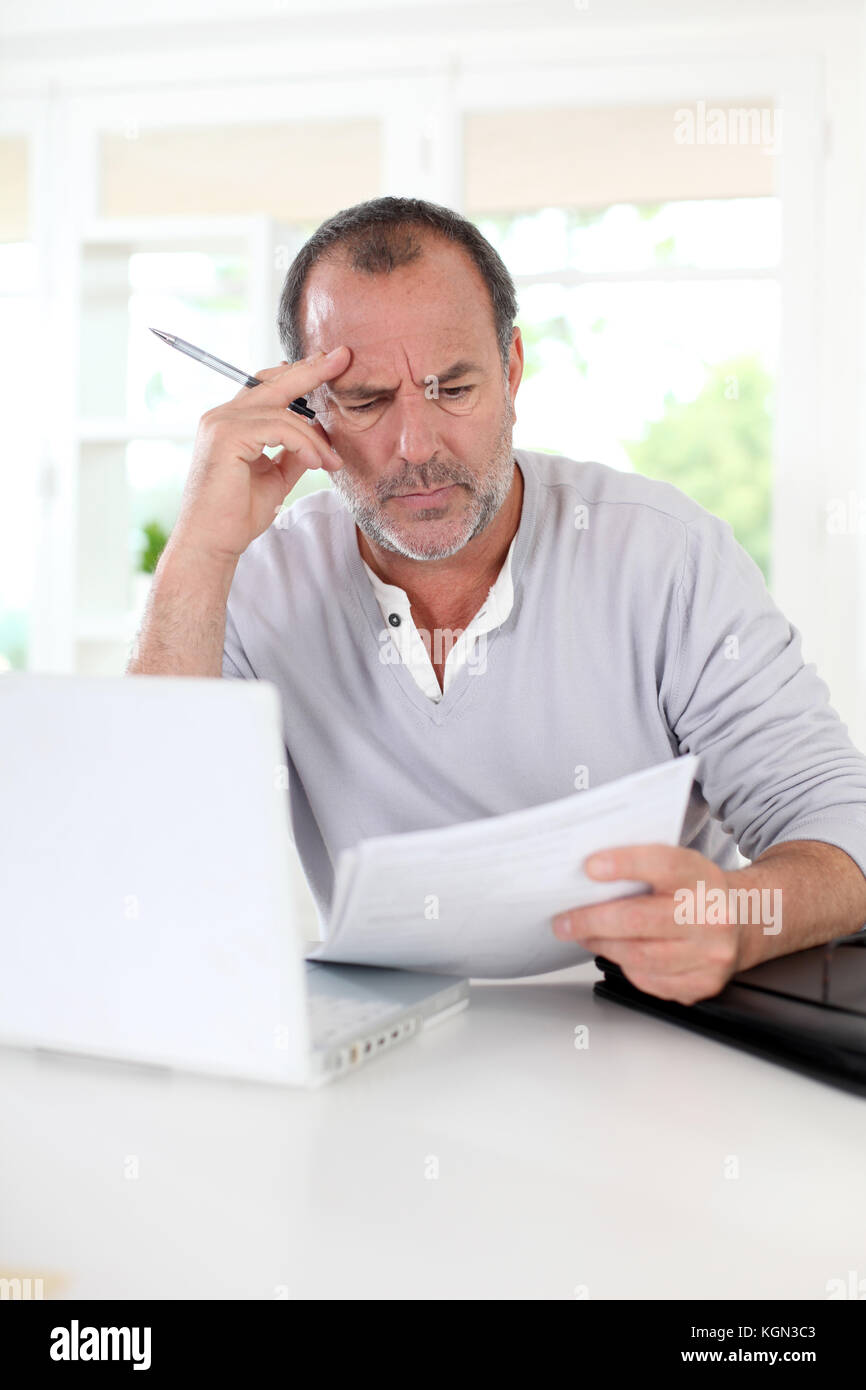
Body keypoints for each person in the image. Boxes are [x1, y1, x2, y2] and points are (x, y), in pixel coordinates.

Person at [128, 196, 866, 1003]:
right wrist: (198, 551)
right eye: (368, 400)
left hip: (654, 1027)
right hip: (385, 1043)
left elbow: (841, 831)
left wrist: (742, 918)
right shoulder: (255, 579)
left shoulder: (665, 558)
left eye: (453, 388)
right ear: (308, 408)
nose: (417, 447)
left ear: (512, 369)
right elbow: (153, 853)